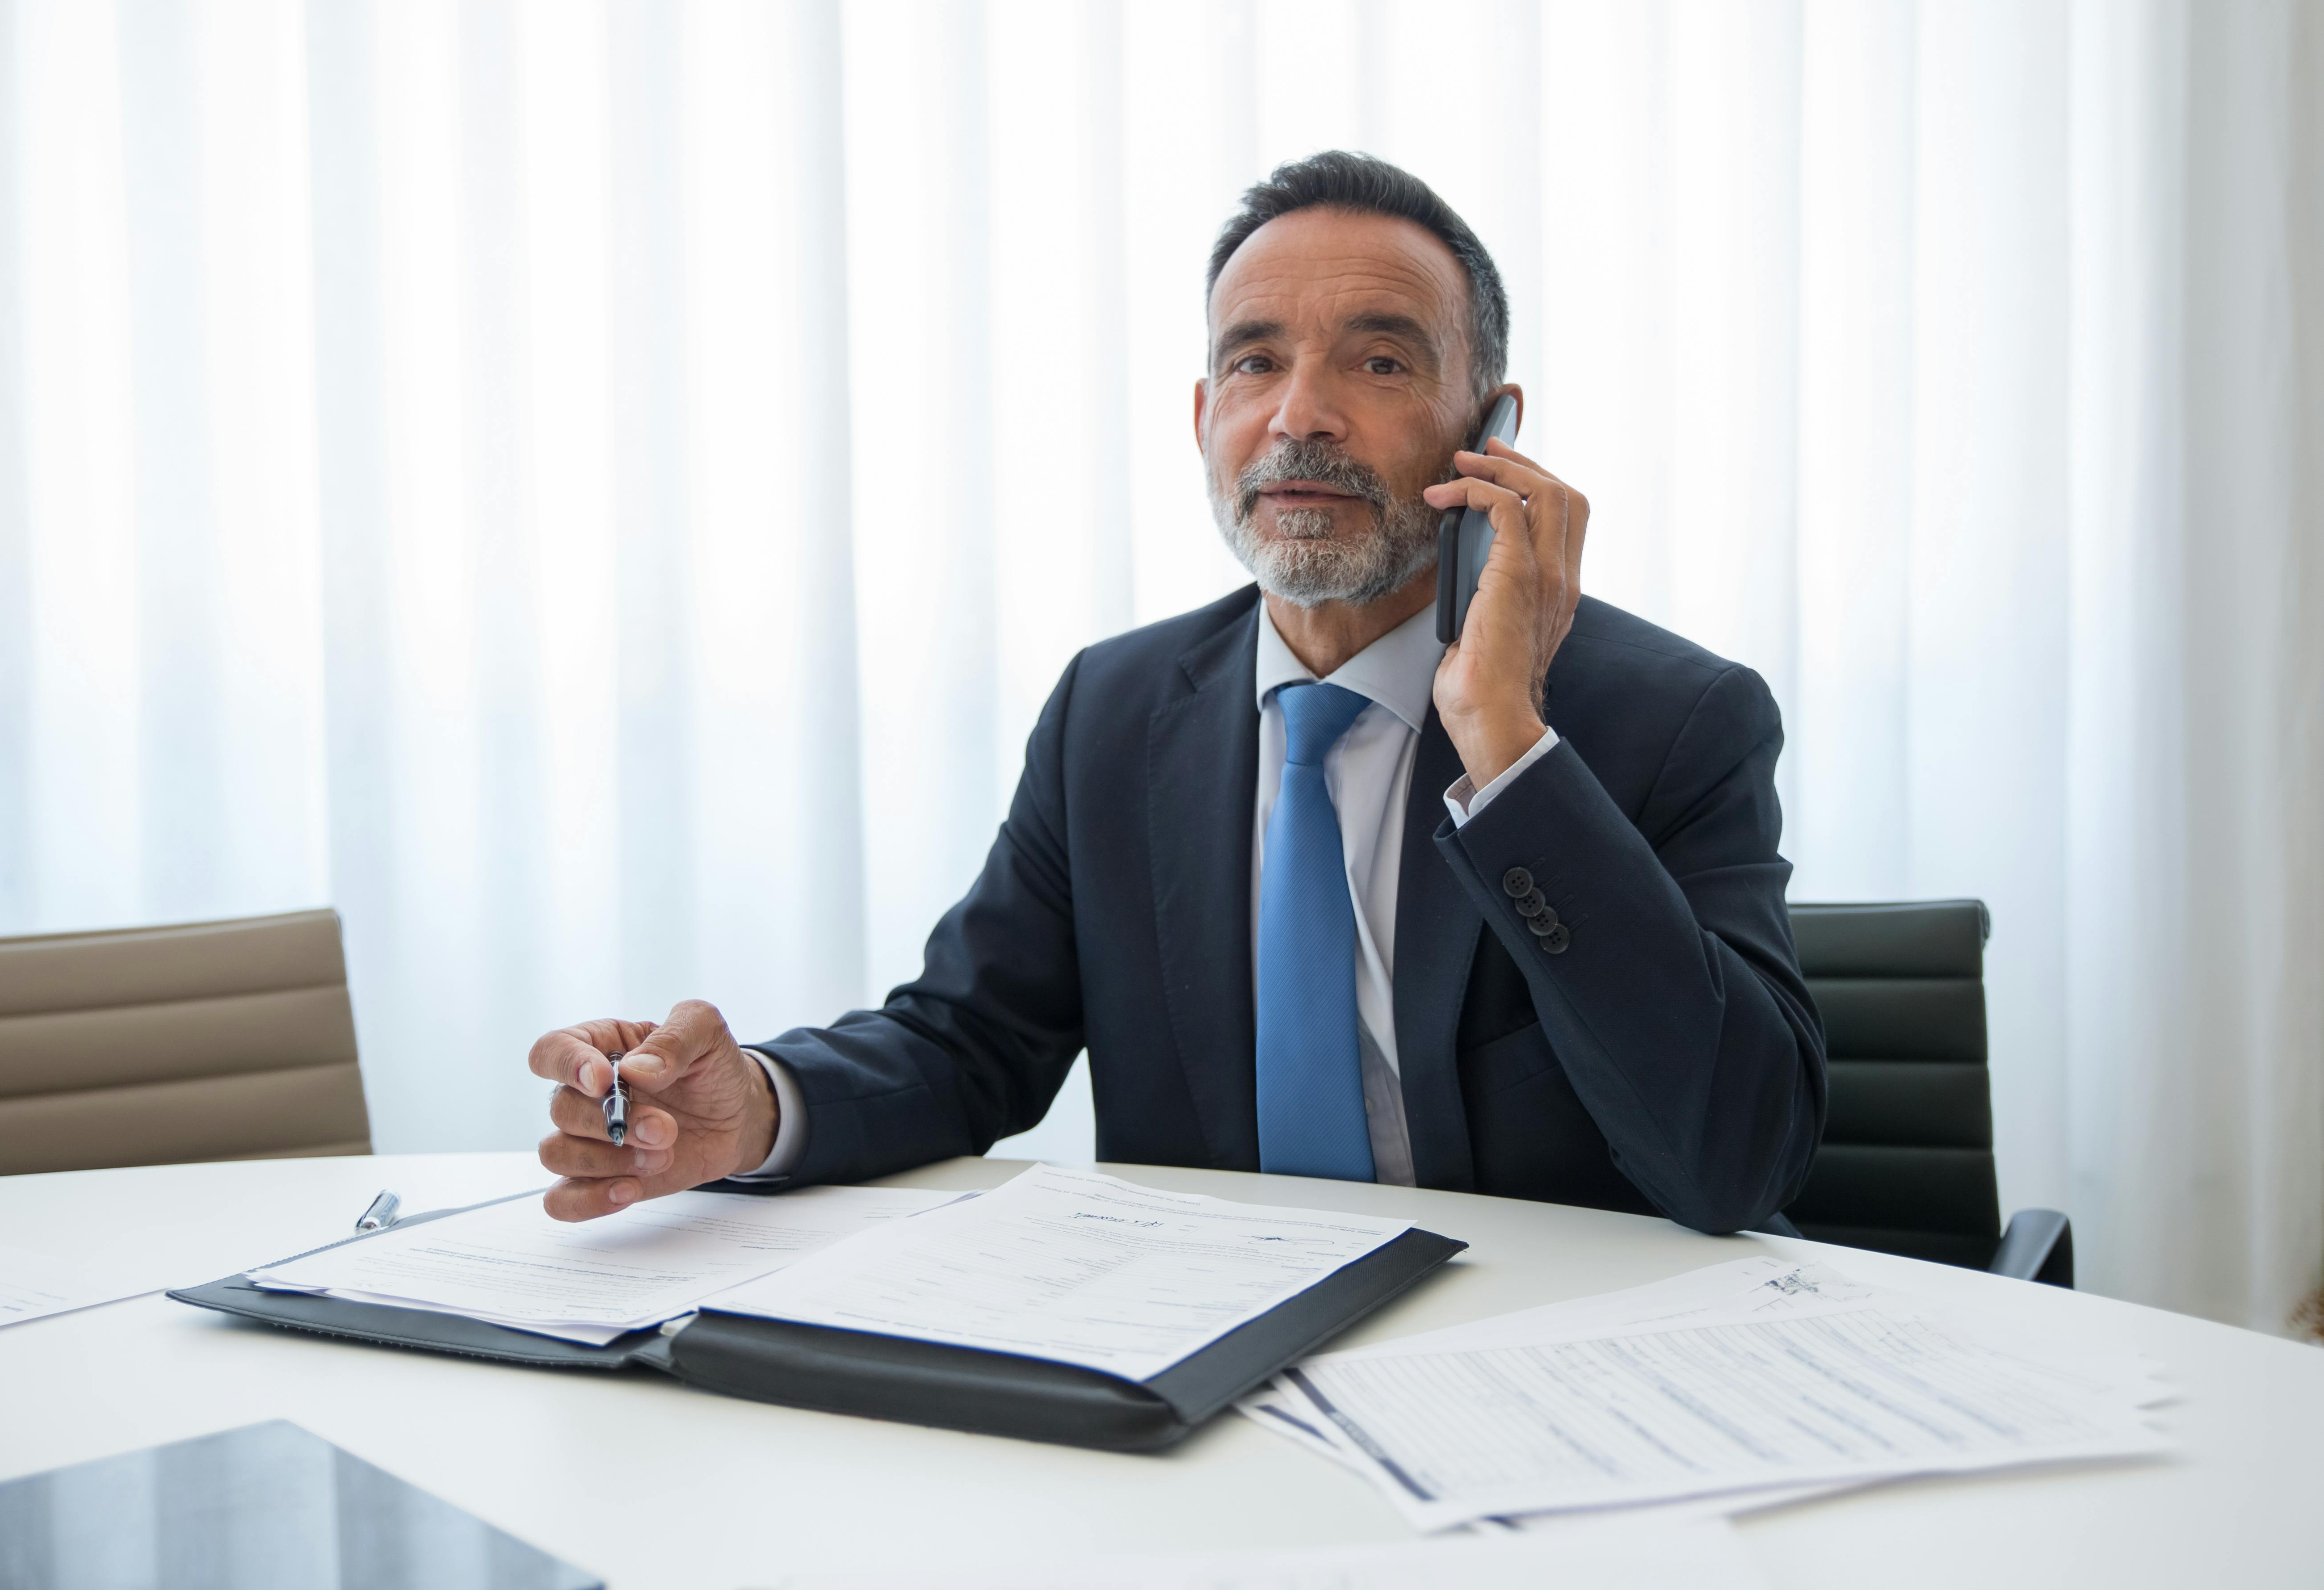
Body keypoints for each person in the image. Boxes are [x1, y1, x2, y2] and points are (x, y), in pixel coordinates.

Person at [527, 151, 1825, 1236]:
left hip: (1533, 1390)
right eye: (1256, 365)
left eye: (1377, 363)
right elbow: (969, 1040)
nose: (1299, 416)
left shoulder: (1675, 720)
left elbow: (1735, 1163)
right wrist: (758, 1102)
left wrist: (1506, 748)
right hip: (1200, 1368)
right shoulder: (1113, 708)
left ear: (1487, 430)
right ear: (1205, 414)